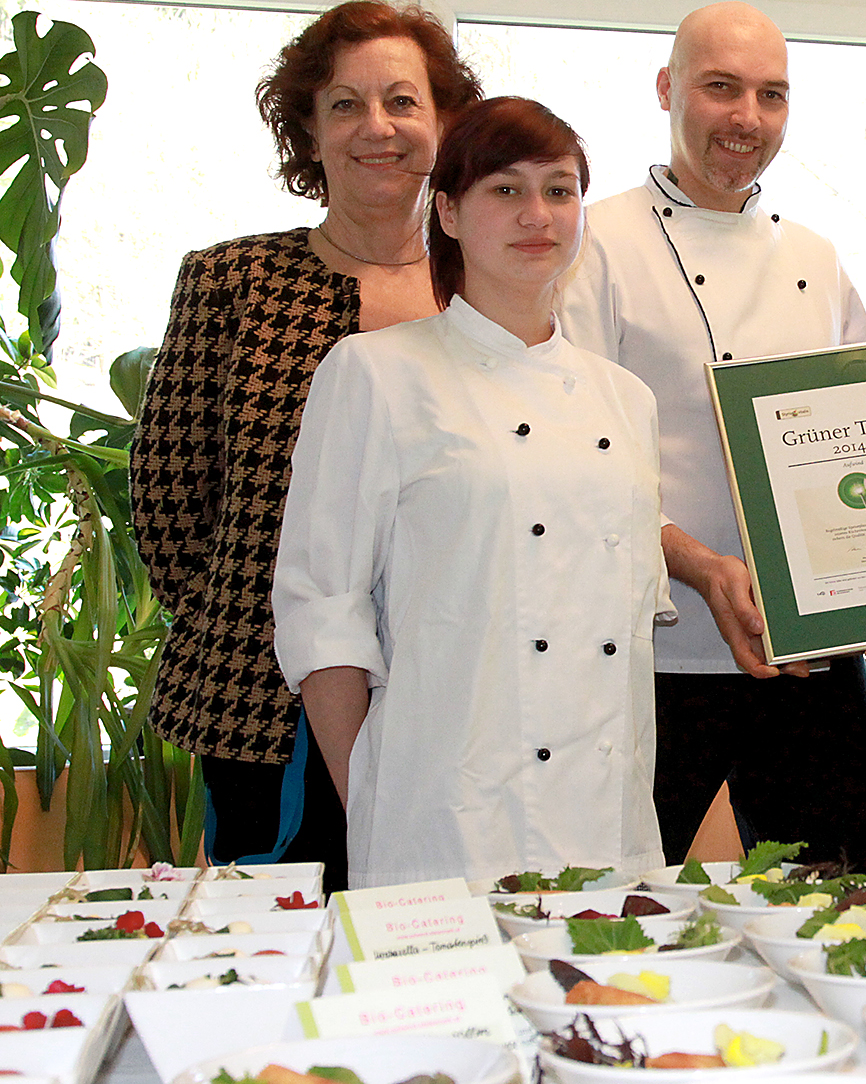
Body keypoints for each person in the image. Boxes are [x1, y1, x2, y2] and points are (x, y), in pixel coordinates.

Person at [271, 97, 668, 888]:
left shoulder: (627, 401)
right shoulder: (375, 372)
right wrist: (379, 798)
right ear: (448, 211)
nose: (538, 215)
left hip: (608, 825)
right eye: (505, 190)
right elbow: (324, 610)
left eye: (560, 190)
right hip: (442, 824)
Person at [130, 0, 480, 889]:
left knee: (441, 935)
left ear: (443, 125)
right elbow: (171, 506)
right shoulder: (232, 281)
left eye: (403, 102)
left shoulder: (491, 296)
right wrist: (264, 625)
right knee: (280, 939)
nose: (379, 129)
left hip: (459, 696)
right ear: (308, 132)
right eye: (345, 105)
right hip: (265, 708)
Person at [558, 1, 866, 875]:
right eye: (721, 88)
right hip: (656, 657)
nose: (748, 117)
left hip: (812, 655)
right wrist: (700, 564)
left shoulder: (815, 256)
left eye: (771, 95)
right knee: (620, 904)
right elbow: (576, 464)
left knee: (839, 901)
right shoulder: (594, 244)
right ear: (668, 89)